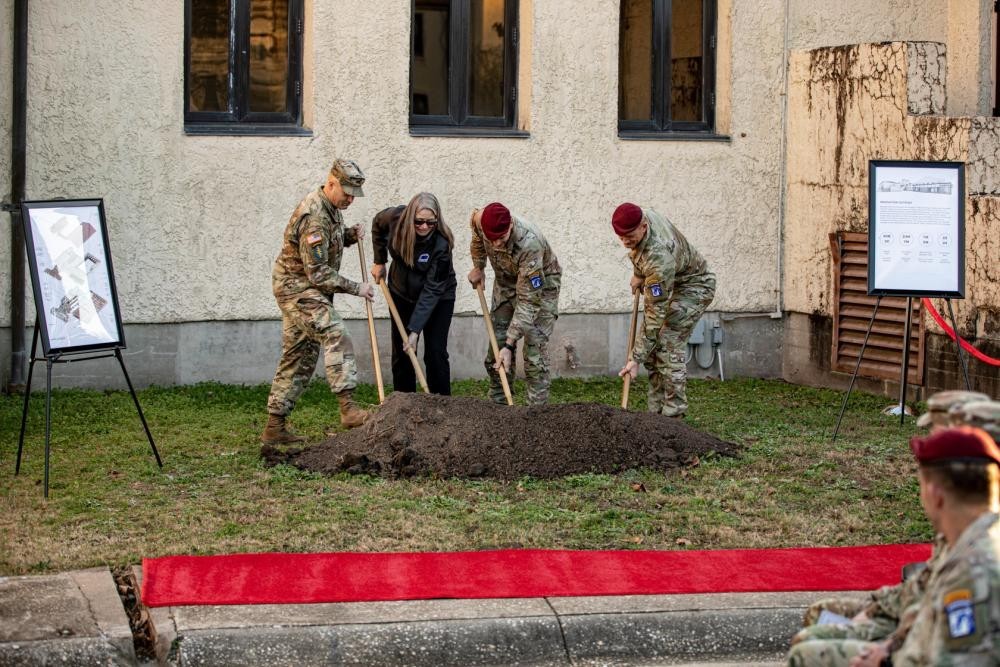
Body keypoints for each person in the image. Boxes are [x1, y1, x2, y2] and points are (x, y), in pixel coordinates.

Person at [787, 426, 1000, 666]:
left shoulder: (973, 569)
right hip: (907, 646)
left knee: (805, 656)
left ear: (935, 494)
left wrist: (884, 661)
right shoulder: (971, 540)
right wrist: (888, 649)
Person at [261, 159, 376, 444]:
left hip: (306, 288)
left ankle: (274, 427)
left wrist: (348, 236)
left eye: (354, 195)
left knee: (299, 356)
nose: (350, 199)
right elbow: (317, 272)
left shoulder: (331, 209)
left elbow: (326, 245)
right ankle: (348, 409)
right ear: (331, 182)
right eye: (347, 192)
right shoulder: (314, 214)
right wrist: (356, 288)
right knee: (335, 332)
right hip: (296, 288)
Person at [613, 203, 716, 417]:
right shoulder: (642, 217)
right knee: (654, 349)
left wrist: (635, 358)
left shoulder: (658, 259)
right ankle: (655, 414)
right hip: (675, 277)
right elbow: (639, 252)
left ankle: (673, 415)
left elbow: (654, 316)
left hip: (695, 286)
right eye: (621, 237)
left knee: (668, 343)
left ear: (643, 226)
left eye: (629, 236)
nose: (625, 242)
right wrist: (639, 273)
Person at [468, 202, 561, 405]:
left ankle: (535, 413)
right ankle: (500, 406)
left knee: (534, 353)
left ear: (510, 225)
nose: (496, 245)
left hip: (540, 290)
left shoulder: (529, 243)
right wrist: (479, 266)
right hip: (505, 283)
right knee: (496, 347)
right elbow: (477, 238)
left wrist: (510, 345)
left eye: (501, 238)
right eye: (491, 240)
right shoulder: (479, 220)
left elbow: (528, 300)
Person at [370, 192, 457, 395]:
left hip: (438, 298)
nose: (424, 227)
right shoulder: (395, 219)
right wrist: (379, 260)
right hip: (401, 293)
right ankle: (404, 404)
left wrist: (415, 330)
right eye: (419, 221)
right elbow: (377, 224)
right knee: (403, 352)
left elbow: (433, 290)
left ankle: (441, 405)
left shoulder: (442, 245)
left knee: (436, 353)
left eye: (430, 223)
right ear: (410, 217)